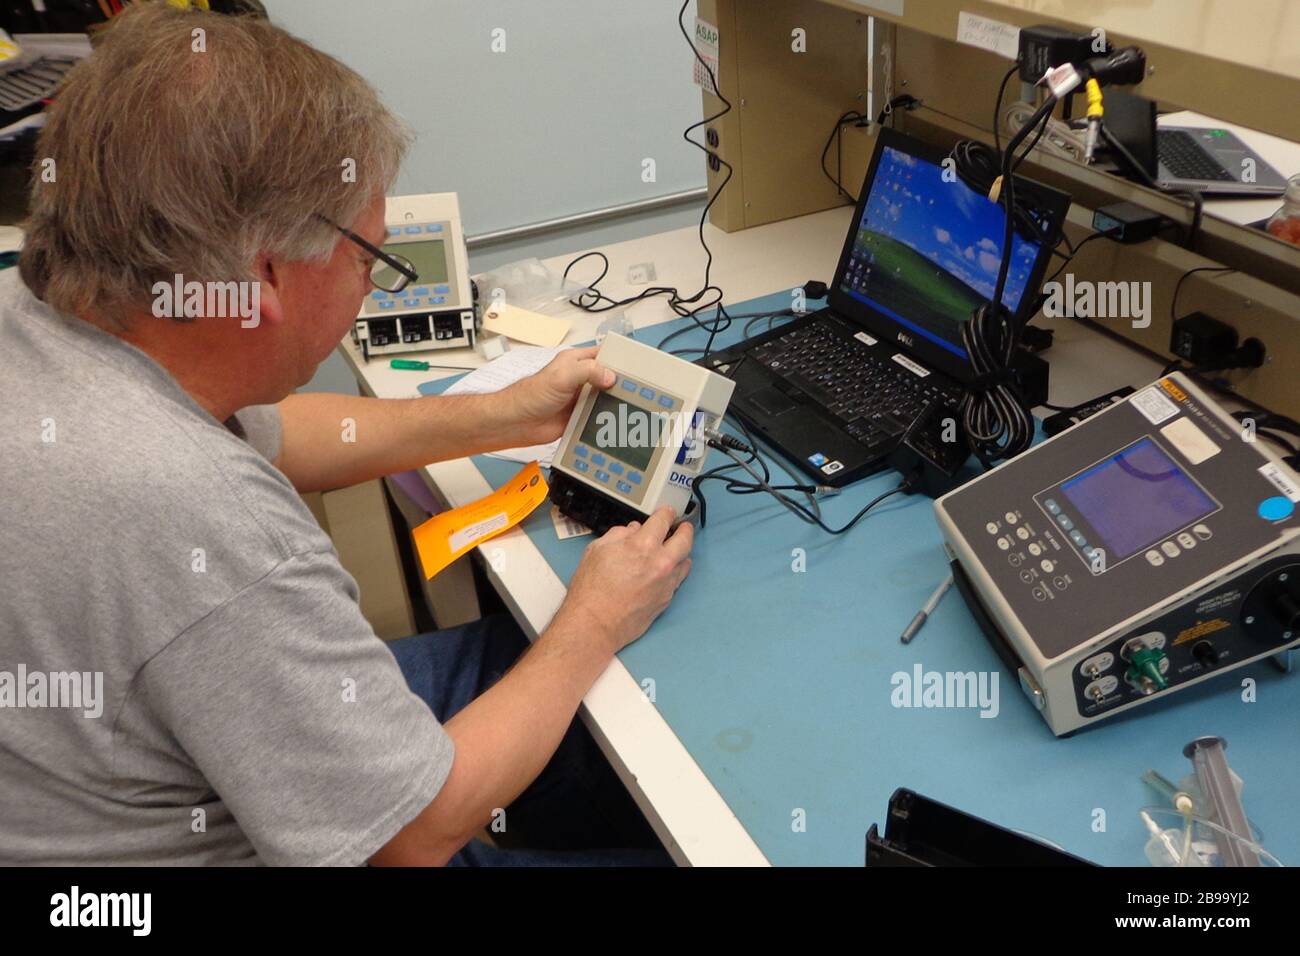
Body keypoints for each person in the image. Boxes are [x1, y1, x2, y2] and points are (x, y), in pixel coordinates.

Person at [0, 3, 693, 866]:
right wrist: (593, 621)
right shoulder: (197, 514)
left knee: (547, 674)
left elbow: (277, 433)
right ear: (266, 277)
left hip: (116, 763)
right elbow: (412, 835)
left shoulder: (47, 315)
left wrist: (503, 411)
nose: (370, 284)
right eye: (369, 256)